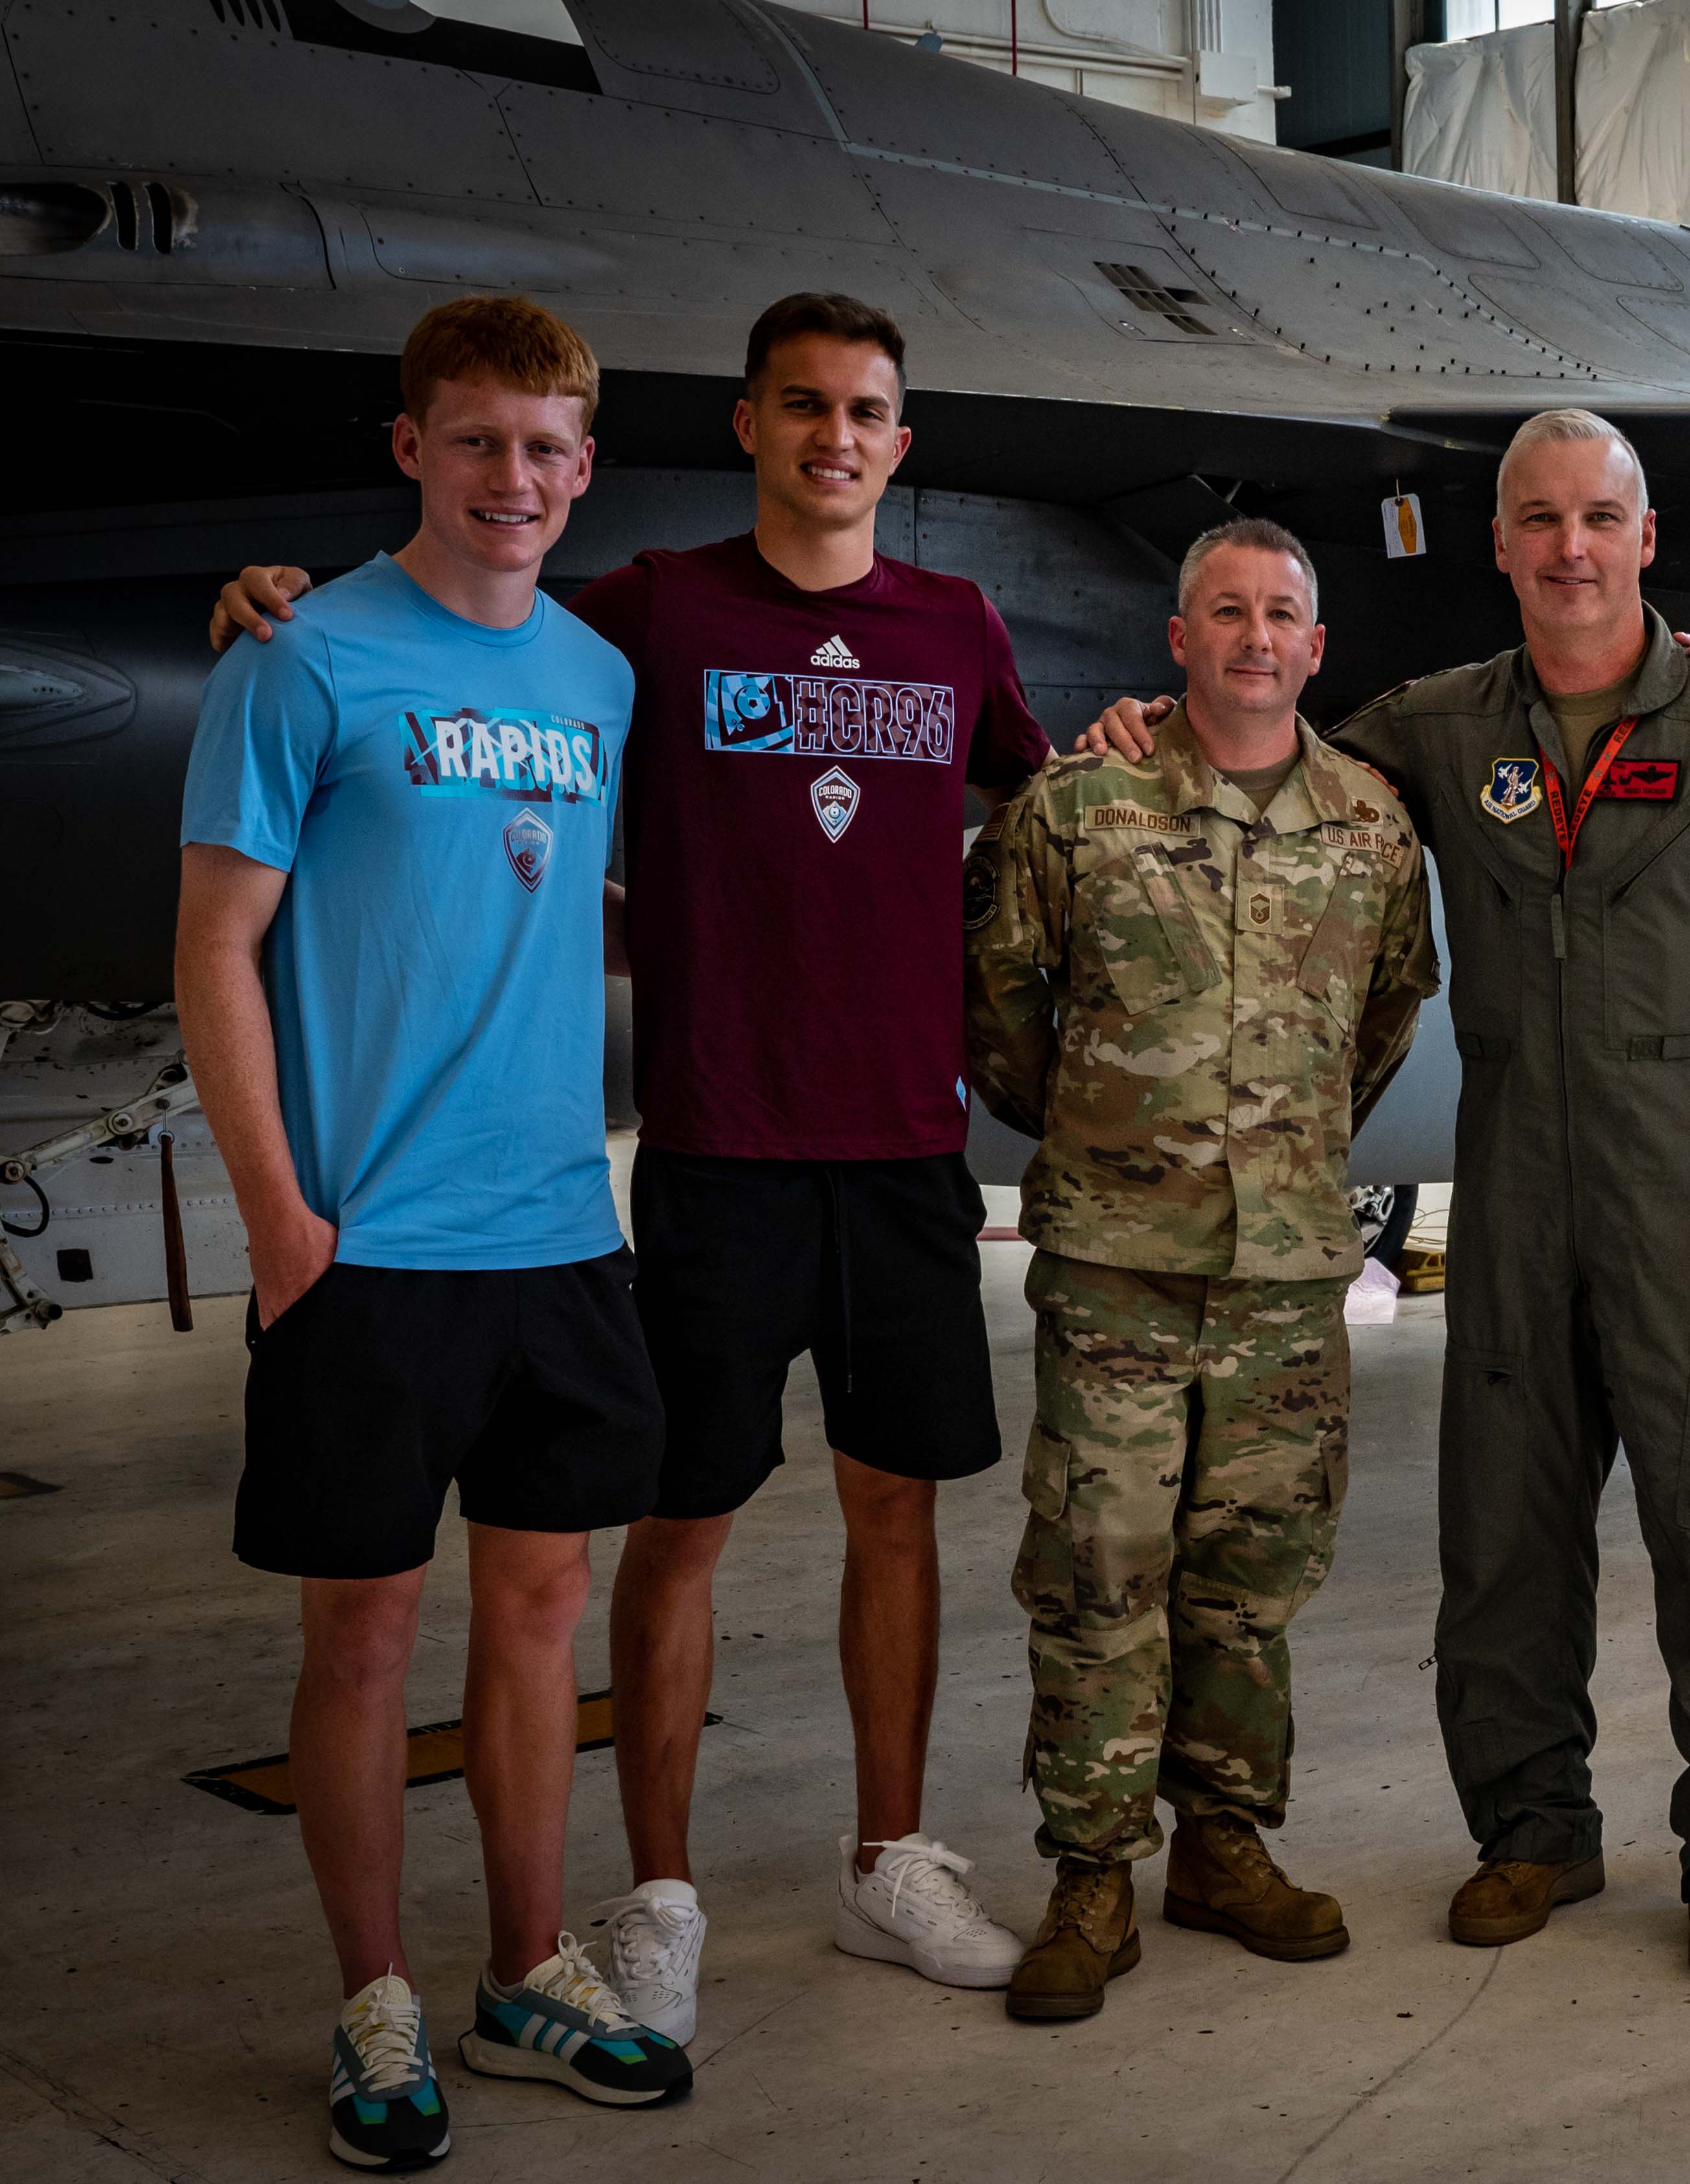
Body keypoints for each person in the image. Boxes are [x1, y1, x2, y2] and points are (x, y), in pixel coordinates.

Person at [211, 293, 1052, 2039]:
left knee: (893, 1516)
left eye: (869, 410)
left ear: (903, 442)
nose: (837, 435)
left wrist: (1143, 737)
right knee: (677, 1527)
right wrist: (264, 593)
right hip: (710, 1151)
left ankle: (886, 1850)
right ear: (744, 422)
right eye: (804, 404)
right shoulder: (646, 618)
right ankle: (650, 1893)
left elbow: (1051, 808)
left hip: (899, 1148)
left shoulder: (955, 625)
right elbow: (454, 618)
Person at [1088, 409, 1690, 1986]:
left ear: (1645, 538)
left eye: (1600, 517)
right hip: (1516, 1195)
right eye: (1538, 519)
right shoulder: (1444, 726)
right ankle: (1533, 1833)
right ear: (1501, 544)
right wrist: (1150, 727)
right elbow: (1279, 758)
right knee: (1503, 1549)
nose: (1569, 547)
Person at [176, 294, 690, 2170]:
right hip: (366, 1250)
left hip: (558, 1232)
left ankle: (524, 1969)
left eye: (550, 445)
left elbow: (555, 914)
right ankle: (375, 1995)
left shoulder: (592, 679)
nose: (518, 478)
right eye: (478, 440)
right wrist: (280, 1217)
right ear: (412, 447)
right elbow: (215, 945)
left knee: (542, 1620)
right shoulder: (298, 659)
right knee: (365, 1643)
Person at [962, 516, 1437, 2020]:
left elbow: (1383, 1020)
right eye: (1222, 611)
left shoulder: (1373, 826)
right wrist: (1113, 1141)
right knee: (1100, 1569)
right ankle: (1091, 1873)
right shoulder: (1076, 806)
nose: (1252, 636)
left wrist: (1282, 1165)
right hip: (1115, 1265)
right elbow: (1001, 1013)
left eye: (1279, 614)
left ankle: (1222, 1843)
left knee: (1252, 1576)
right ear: (1177, 639)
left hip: (1285, 1274)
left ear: (1314, 647)